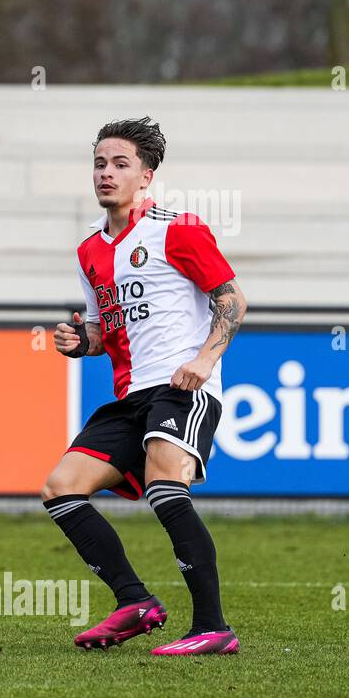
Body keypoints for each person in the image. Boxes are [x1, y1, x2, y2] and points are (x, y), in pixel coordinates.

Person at [44, 116, 248, 655]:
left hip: (181, 386)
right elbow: (102, 329)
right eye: (99, 163)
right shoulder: (89, 249)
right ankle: (134, 601)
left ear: (147, 175)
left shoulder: (178, 229)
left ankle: (212, 626)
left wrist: (205, 360)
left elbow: (232, 300)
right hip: (129, 397)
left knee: (165, 486)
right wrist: (79, 342)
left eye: (120, 164)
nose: (106, 173)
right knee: (61, 486)